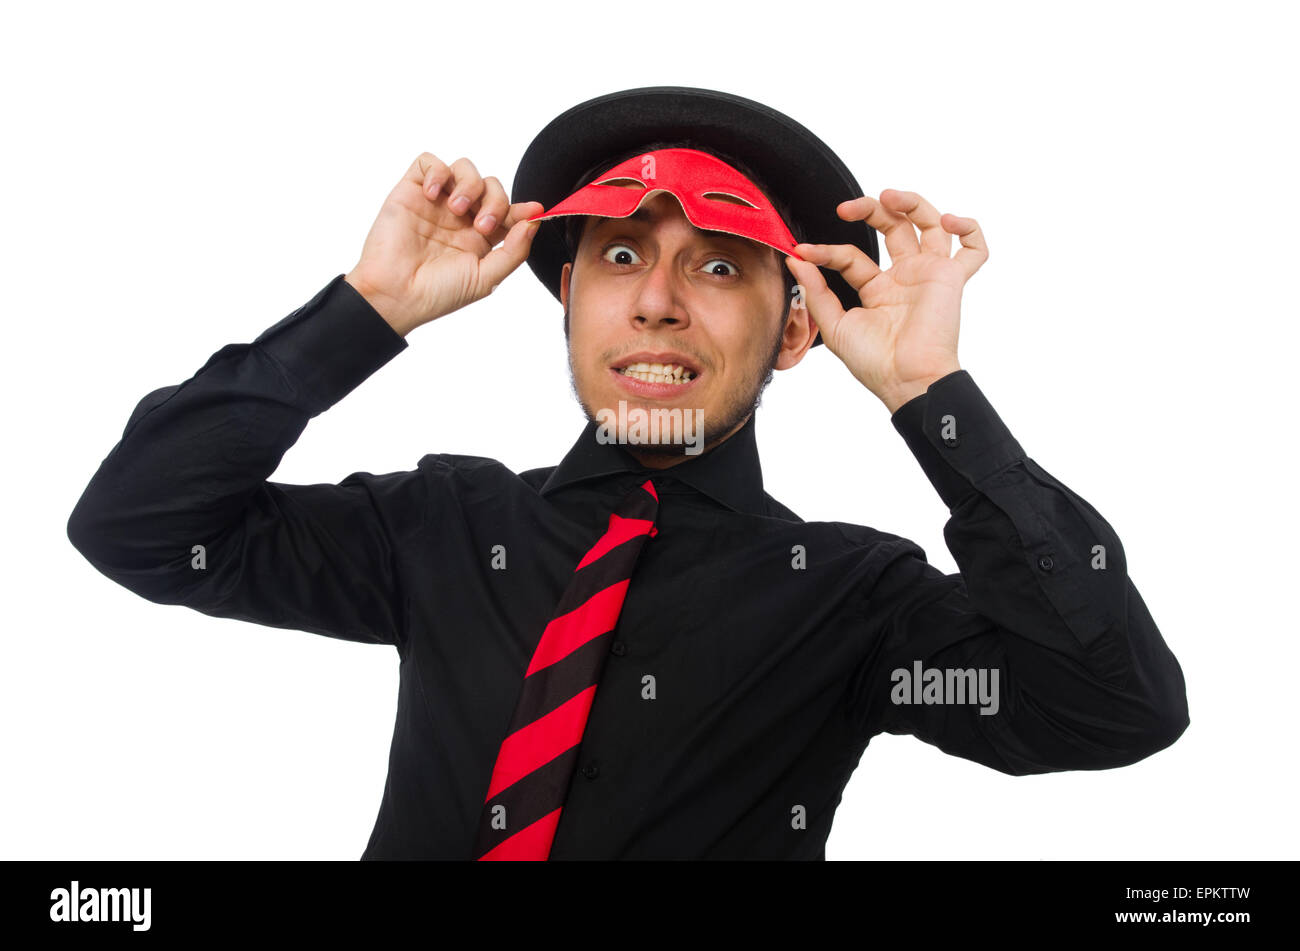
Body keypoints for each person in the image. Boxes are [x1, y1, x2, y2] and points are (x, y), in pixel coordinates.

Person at [66, 86, 1189, 860]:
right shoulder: (439, 529)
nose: (656, 299)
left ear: (795, 331)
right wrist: (367, 313)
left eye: (715, 264)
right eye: (617, 256)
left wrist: (929, 395)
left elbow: (1114, 707)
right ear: (567, 304)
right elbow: (140, 526)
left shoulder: (855, 607)